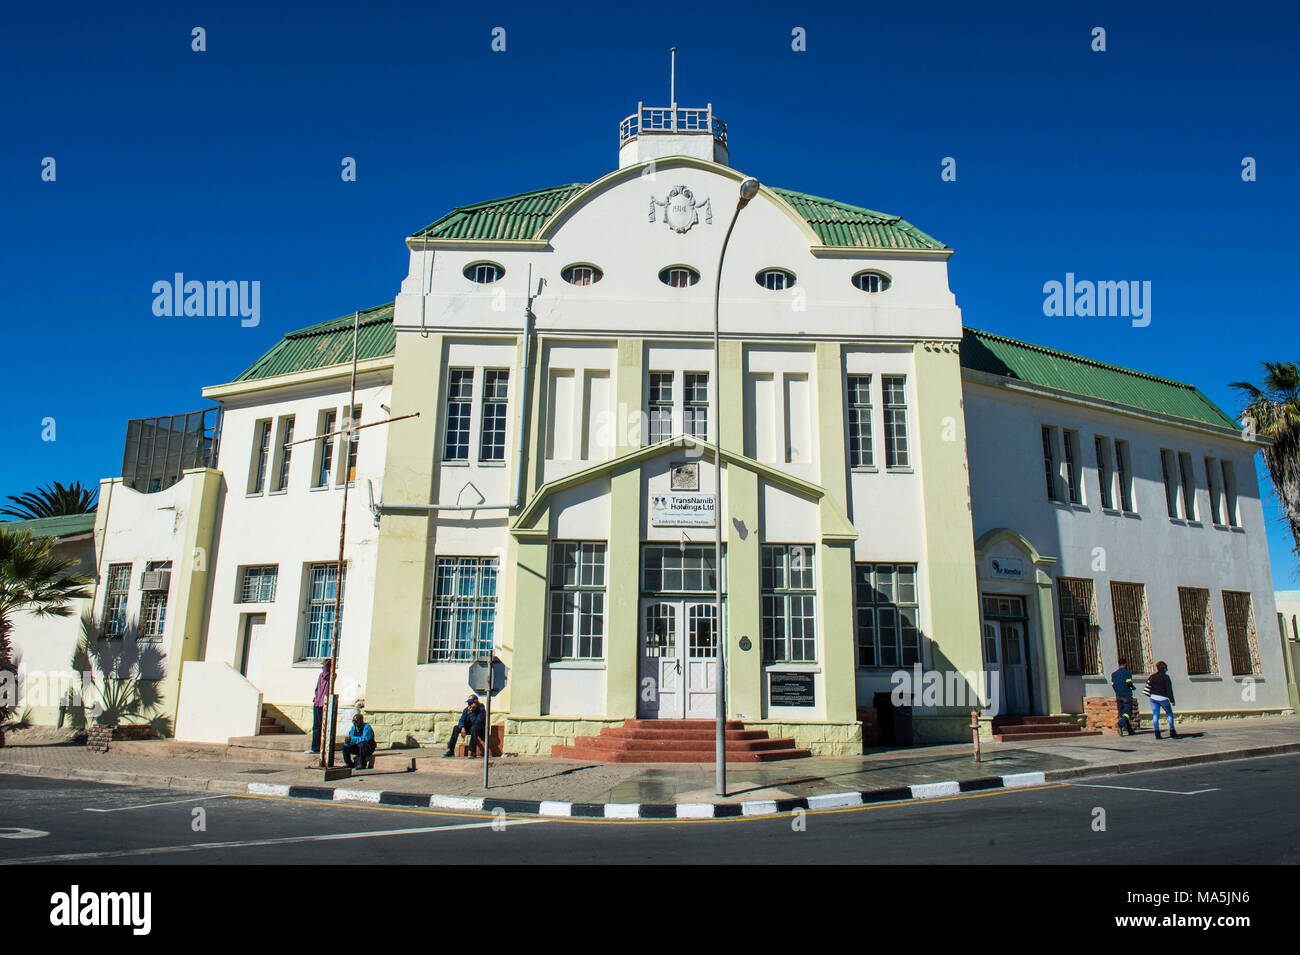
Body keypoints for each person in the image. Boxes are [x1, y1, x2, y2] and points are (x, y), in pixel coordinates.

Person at [1145, 660, 1178, 739]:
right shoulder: (1166, 677)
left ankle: (1157, 733)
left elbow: (1149, 685)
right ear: (1164, 668)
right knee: (1169, 713)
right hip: (1163, 698)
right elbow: (1169, 689)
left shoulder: (1152, 676)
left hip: (1153, 697)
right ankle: (1172, 731)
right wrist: (1172, 700)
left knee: (1156, 714)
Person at [306, 659, 332, 754]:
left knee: (322, 726)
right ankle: (315, 747)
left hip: (324, 703)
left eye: (324, 666)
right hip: (317, 702)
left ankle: (320, 746)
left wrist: (327, 667)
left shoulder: (331, 675)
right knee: (316, 726)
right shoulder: (320, 676)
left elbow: (326, 676)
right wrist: (316, 697)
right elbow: (317, 688)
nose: (322, 668)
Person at [1110, 657, 1137, 736]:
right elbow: (1129, 682)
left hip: (1118, 695)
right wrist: (1133, 687)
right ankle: (1120, 724)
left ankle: (1129, 730)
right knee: (1128, 713)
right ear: (1125, 664)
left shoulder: (1114, 674)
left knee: (1122, 714)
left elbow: (1113, 685)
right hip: (1126, 694)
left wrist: (1117, 691)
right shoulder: (1127, 673)